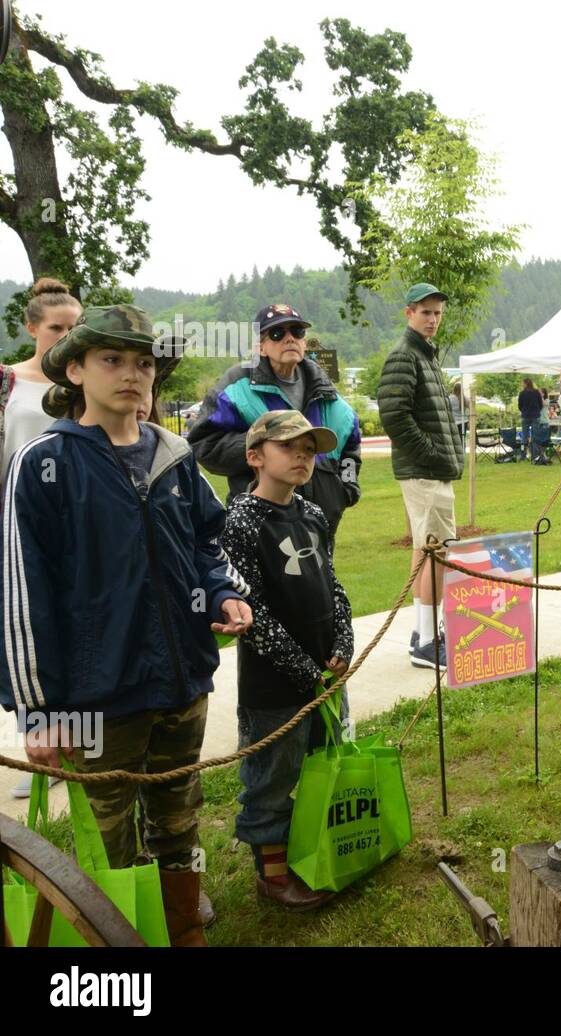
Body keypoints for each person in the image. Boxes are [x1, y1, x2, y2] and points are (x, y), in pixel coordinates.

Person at [0, 304, 253, 947]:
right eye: (111, 360)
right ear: (75, 368)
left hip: (182, 680)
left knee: (179, 816)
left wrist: (222, 595)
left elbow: (209, 542)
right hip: (95, 699)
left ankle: (181, 927)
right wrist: (38, 709)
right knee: (106, 839)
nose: (131, 375)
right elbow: (23, 595)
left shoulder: (175, 456)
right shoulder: (42, 463)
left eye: (143, 363)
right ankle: (115, 951)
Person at [220, 410, 353, 911]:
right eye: (289, 448)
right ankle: (272, 877)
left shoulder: (314, 514)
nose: (302, 456)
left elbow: (331, 583)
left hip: (325, 674)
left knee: (320, 764)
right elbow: (251, 613)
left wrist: (343, 640)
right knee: (273, 777)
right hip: (275, 687)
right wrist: (303, 671)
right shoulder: (240, 522)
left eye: (309, 449)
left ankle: (313, 851)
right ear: (255, 457)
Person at [188, 304, 362, 549]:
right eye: (278, 333)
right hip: (258, 526)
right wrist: (262, 448)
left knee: (319, 586)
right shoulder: (238, 386)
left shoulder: (328, 394)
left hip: (320, 525)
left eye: (297, 332)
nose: (289, 338)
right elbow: (203, 443)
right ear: (261, 346)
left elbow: (351, 446)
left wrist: (346, 490)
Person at [3, 279, 81, 800]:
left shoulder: (82, 385)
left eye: (75, 328)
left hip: (72, 523)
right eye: (56, 328)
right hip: (15, 520)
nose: (65, 336)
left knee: (70, 632)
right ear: (32, 328)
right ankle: (34, 745)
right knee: (24, 631)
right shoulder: (7, 383)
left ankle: (75, 744)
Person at [378, 284, 464, 670]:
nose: (433, 319)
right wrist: (431, 455)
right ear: (409, 313)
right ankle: (428, 642)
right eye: (426, 312)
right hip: (425, 472)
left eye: (438, 313)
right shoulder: (405, 355)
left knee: (425, 549)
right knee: (436, 552)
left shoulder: (424, 356)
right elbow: (395, 416)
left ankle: (422, 632)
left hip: (430, 472)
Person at [517, 377, 547, 464]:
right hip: (535, 416)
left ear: (526, 384)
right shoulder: (536, 392)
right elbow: (540, 404)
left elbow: (519, 405)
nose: (522, 385)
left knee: (524, 436)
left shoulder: (522, 393)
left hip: (525, 416)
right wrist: (536, 410)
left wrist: (524, 411)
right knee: (535, 436)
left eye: (522, 383)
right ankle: (534, 456)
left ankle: (523, 455)